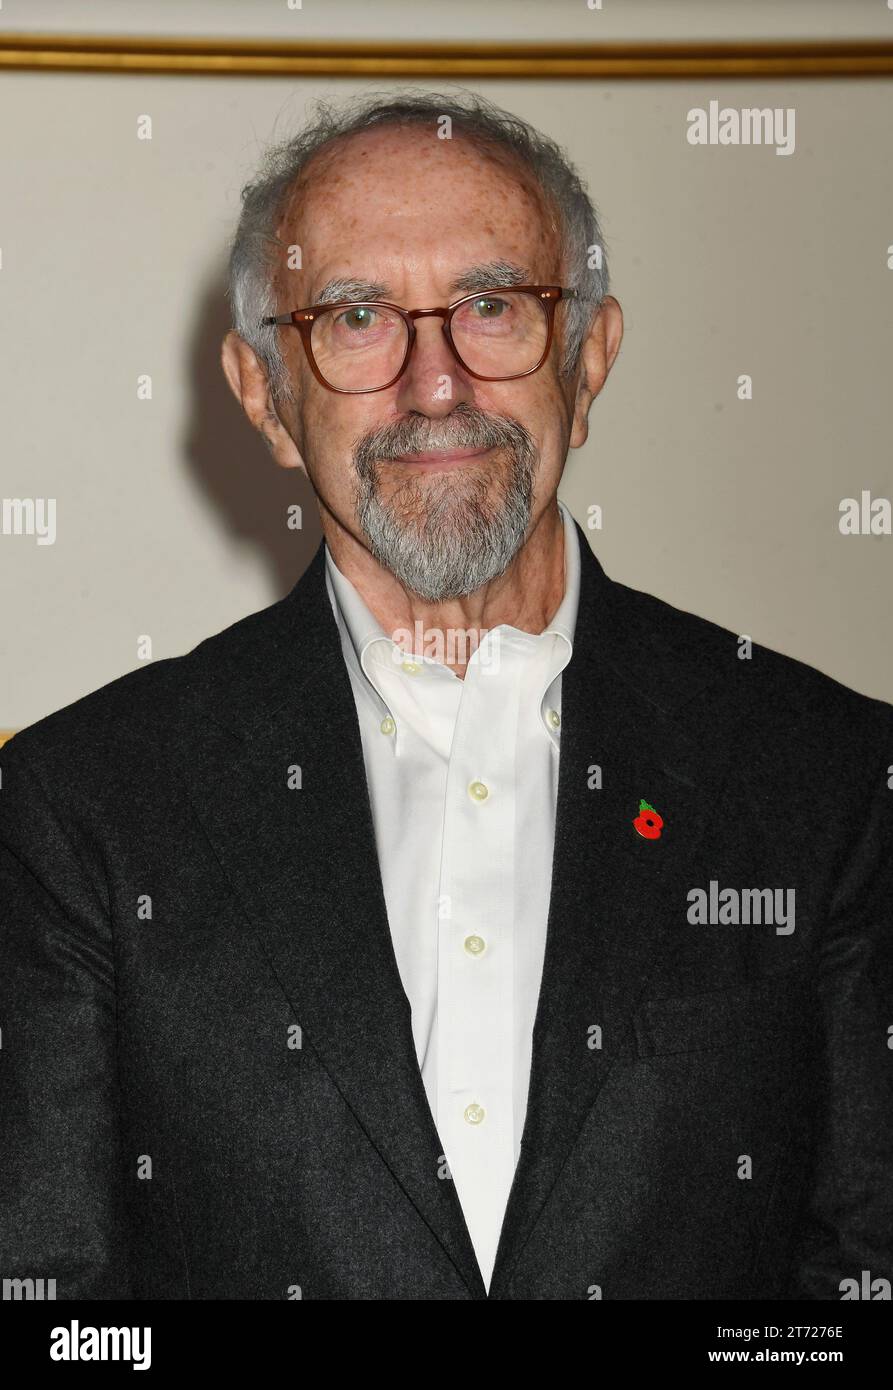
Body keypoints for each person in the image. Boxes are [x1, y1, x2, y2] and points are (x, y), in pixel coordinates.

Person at [1, 90, 891, 1301]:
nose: (435, 385)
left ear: (586, 357)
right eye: (356, 315)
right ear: (263, 396)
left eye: (490, 306)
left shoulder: (832, 777)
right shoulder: (77, 805)